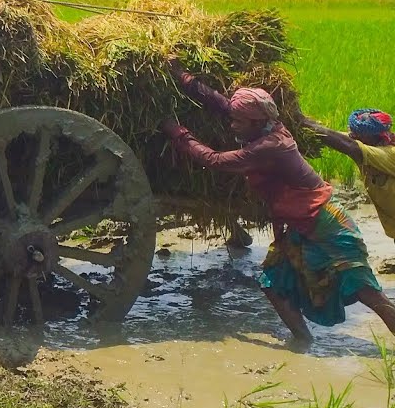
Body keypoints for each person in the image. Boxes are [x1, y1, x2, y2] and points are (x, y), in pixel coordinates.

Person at [162, 63, 395, 341]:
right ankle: (303, 342)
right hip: (301, 225)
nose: (232, 124)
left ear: (256, 122)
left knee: (366, 291)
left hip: (327, 223)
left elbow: (214, 160)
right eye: (234, 119)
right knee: (272, 283)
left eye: (238, 122)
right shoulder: (264, 126)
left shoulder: (270, 146)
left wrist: (176, 132)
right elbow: (222, 104)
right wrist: (182, 77)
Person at [304, 109, 395, 240]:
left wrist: (309, 125)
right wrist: (309, 128)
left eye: (357, 135)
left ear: (374, 138)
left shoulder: (388, 154)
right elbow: (340, 138)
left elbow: (350, 146)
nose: (352, 136)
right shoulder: (369, 142)